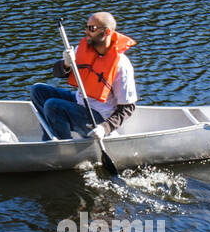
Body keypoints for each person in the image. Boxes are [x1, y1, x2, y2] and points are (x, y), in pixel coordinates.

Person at [32, 12, 137, 141]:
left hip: (98, 118)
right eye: (86, 27)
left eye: (91, 28)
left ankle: (64, 149)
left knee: (53, 106)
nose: (86, 31)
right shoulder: (82, 51)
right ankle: (50, 139)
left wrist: (105, 128)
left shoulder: (121, 65)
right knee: (38, 90)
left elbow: (127, 108)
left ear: (107, 32)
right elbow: (57, 73)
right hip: (81, 102)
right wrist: (66, 64)